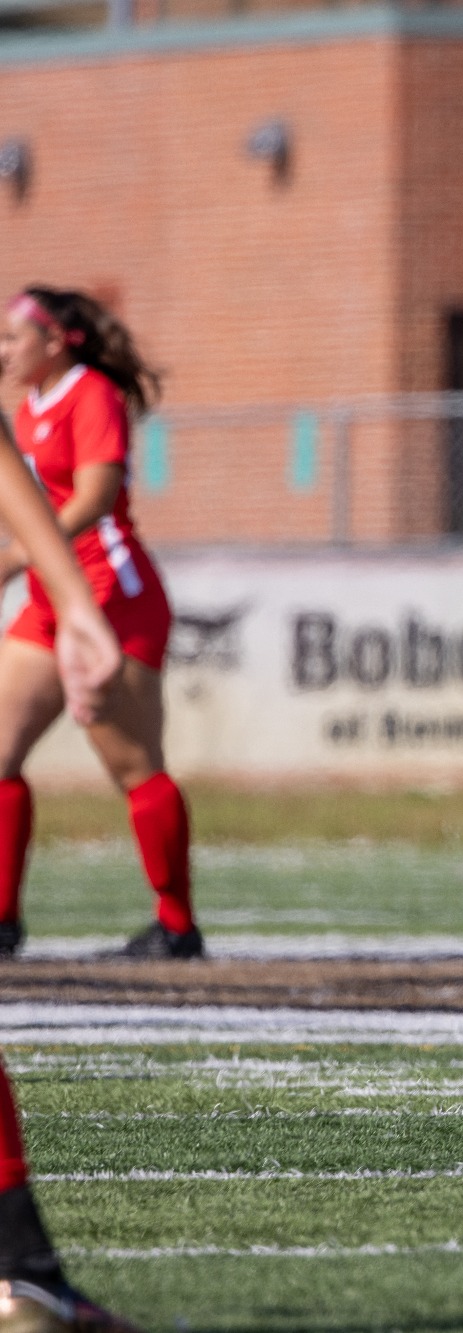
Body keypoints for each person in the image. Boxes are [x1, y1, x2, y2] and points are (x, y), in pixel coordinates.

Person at [0, 288, 200, 961]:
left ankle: (177, 925)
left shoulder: (90, 394)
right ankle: (2, 920)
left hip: (111, 594)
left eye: (14, 337)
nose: (3, 350)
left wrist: (16, 556)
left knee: (133, 765)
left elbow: (95, 497)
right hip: (48, 602)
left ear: (57, 342)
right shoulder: (26, 408)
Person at [0, 414, 138, 1328]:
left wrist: (77, 603)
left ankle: (25, 1273)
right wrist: (73, 599)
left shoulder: (88, 393)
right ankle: (24, 1276)